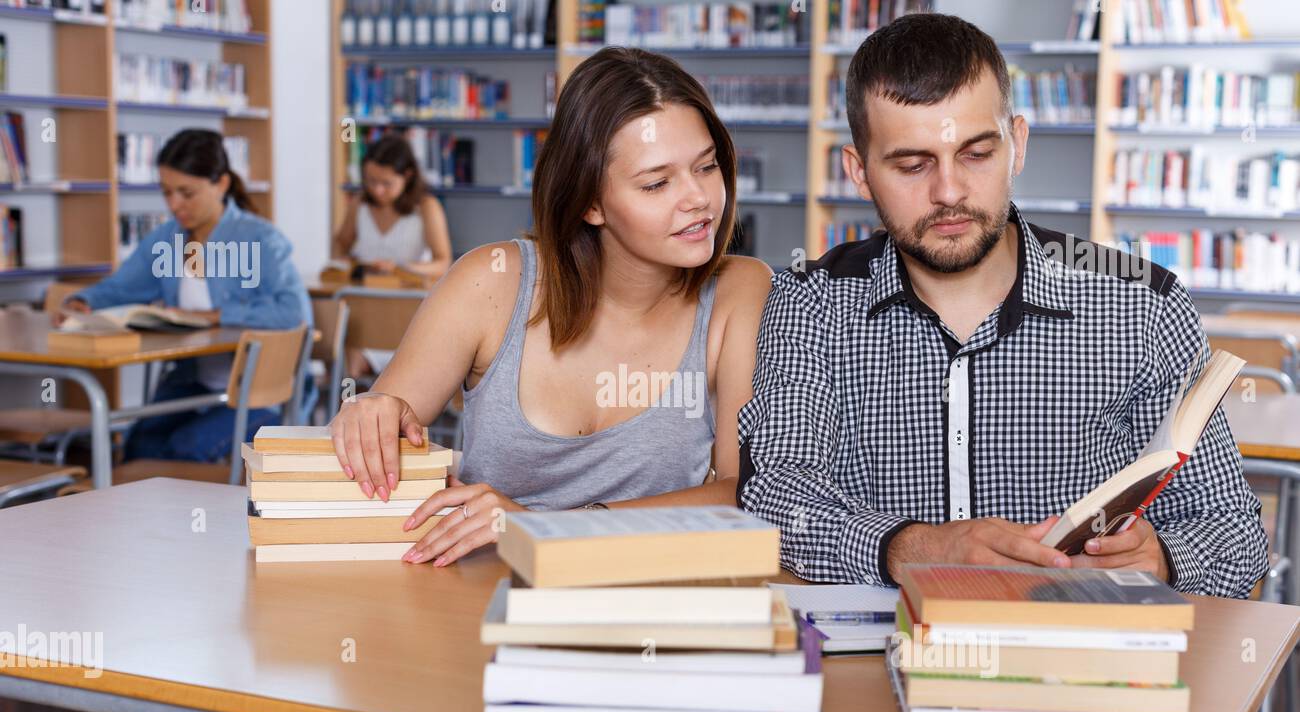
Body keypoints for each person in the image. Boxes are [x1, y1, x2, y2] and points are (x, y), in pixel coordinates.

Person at [736, 13, 1267, 598]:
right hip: (878, 663)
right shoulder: (810, 300)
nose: (948, 192)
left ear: (1018, 144)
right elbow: (776, 499)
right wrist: (912, 547)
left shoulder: (1143, 304)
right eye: (912, 165)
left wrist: (1162, 558)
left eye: (976, 154)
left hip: (1075, 668)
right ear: (858, 172)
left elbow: (1236, 538)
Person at [328, 46, 772, 566]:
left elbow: (741, 495)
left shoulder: (740, 291)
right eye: (657, 183)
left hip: (642, 596)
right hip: (476, 594)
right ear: (590, 202)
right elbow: (383, 444)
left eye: (707, 166)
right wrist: (370, 412)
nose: (698, 198)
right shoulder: (489, 283)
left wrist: (547, 527)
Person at [62, 129, 312, 462]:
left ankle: (197, 512)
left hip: (260, 391)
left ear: (221, 184)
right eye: (166, 192)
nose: (173, 204)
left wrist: (218, 316)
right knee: (139, 446)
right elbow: (123, 287)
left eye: (186, 193)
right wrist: (85, 302)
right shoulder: (167, 239)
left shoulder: (260, 238)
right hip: (192, 384)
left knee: (187, 448)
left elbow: (293, 312)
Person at [331, 133, 454, 378]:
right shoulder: (359, 205)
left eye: (386, 183)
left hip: (406, 314)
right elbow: (339, 246)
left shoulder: (427, 208)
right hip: (363, 310)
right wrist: (353, 265)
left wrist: (400, 268)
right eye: (370, 181)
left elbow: (443, 262)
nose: (377, 190)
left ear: (407, 176)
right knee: (343, 350)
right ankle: (350, 408)